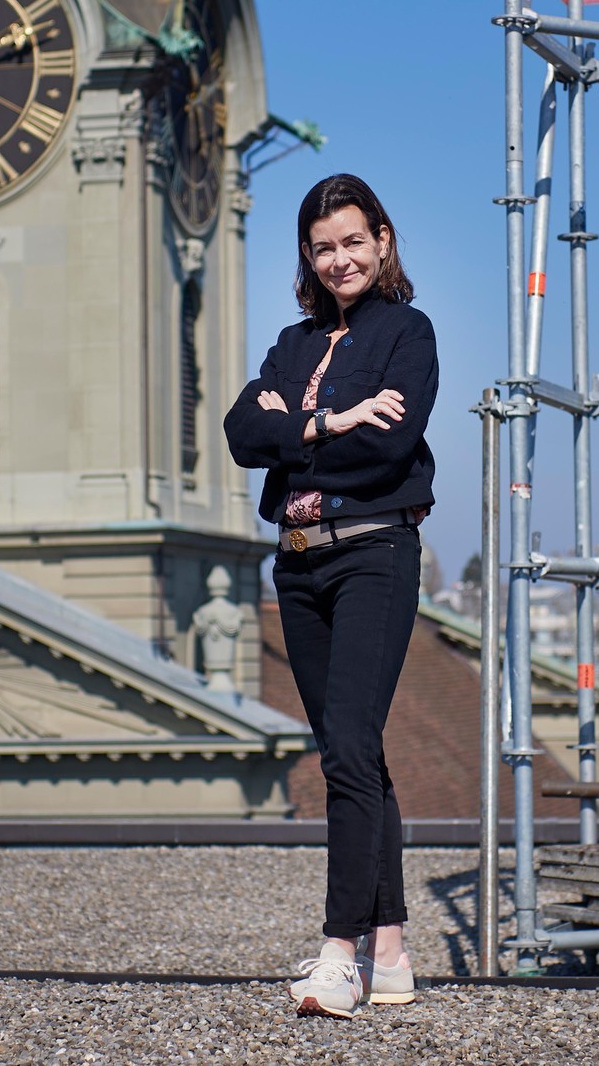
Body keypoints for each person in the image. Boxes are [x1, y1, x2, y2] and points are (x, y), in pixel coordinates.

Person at [224, 173, 438, 1019]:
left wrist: (301, 431)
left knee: (348, 751)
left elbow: (388, 452)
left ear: (382, 240)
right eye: (324, 247)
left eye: (353, 240)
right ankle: (391, 951)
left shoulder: (406, 334)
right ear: (308, 259)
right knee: (359, 756)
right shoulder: (291, 342)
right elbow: (245, 435)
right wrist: (328, 420)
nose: (340, 258)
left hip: (373, 555)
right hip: (298, 563)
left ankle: (338, 954)